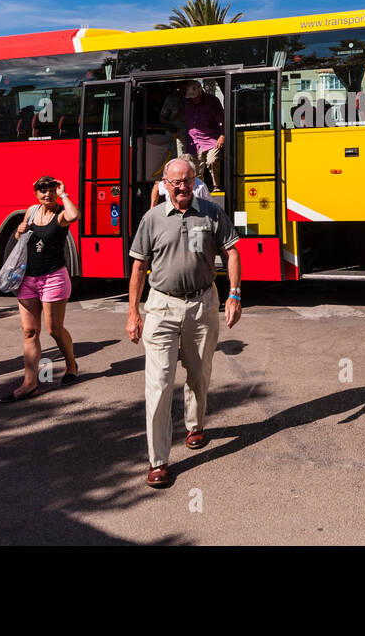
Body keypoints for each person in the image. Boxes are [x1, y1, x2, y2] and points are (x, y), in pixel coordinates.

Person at [126, 156, 241, 489]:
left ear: (195, 181)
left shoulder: (211, 212)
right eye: (175, 182)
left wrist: (234, 293)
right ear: (164, 183)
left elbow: (232, 251)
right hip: (161, 307)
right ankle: (158, 461)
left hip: (203, 304)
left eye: (187, 180)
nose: (181, 187)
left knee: (198, 373)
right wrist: (133, 311)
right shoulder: (151, 219)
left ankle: (195, 424)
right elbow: (138, 266)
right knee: (159, 384)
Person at [0, 176, 81, 402]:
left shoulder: (61, 215)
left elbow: (75, 215)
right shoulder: (32, 211)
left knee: (54, 329)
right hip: (27, 279)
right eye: (42, 191)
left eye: (51, 190)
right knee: (29, 331)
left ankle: (71, 364)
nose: (47, 194)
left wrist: (64, 193)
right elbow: (20, 239)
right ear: (36, 194)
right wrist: (19, 230)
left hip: (53, 278)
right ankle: (30, 384)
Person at [181, 79, 225, 190]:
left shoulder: (213, 101)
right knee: (195, 169)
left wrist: (222, 135)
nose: (193, 99)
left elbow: (224, 120)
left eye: (195, 97)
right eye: (191, 97)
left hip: (212, 138)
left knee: (212, 160)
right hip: (194, 141)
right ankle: (199, 190)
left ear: (201, 92)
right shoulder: (186, 103)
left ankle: (217, 186)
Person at [159, 83, 192, 159]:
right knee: (179, 160)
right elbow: (162, 118)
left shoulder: (194, 98)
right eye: (182, 86)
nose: (184, 89)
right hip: (177, 136)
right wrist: (173, 122)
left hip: (195, 137)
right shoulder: (172, 99)